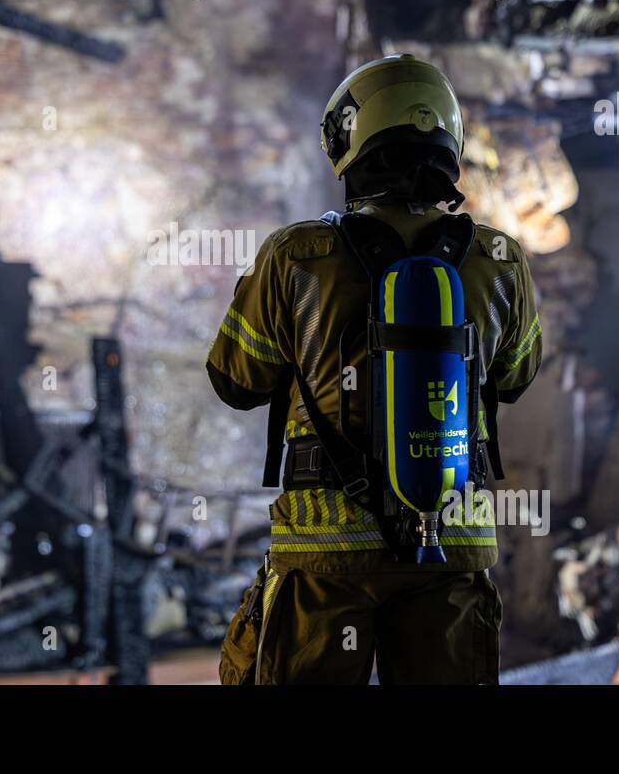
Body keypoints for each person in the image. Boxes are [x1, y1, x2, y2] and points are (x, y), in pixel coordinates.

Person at [207, 54, 542, 684]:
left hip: (326, 552)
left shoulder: (297, 255)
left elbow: (235, 381)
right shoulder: (501, 260)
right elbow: (517, 378)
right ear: (449, 142)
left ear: (352, 142)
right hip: (451, 548)